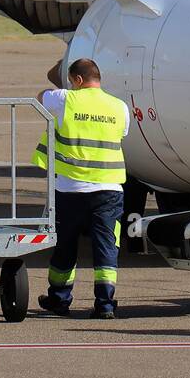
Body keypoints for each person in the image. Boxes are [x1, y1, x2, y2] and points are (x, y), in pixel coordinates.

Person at [32, 58, 130, 319]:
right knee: (106, 247)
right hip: (109, 190)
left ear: (76, 80)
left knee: (65, 247)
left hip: (70, 189)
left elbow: (40, 96)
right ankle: (105, 305)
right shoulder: (119, 107)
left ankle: (59, 300)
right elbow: (121, 136)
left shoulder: (65, 99)